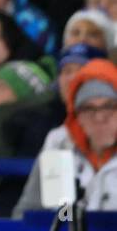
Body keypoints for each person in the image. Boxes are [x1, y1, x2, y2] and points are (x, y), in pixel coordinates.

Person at [14, 59, 117, 216]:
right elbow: (33, 211)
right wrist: (68, 220)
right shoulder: (60, 144)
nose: (100, 118)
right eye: (89, 109)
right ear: (77, 116)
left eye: (109, 106)